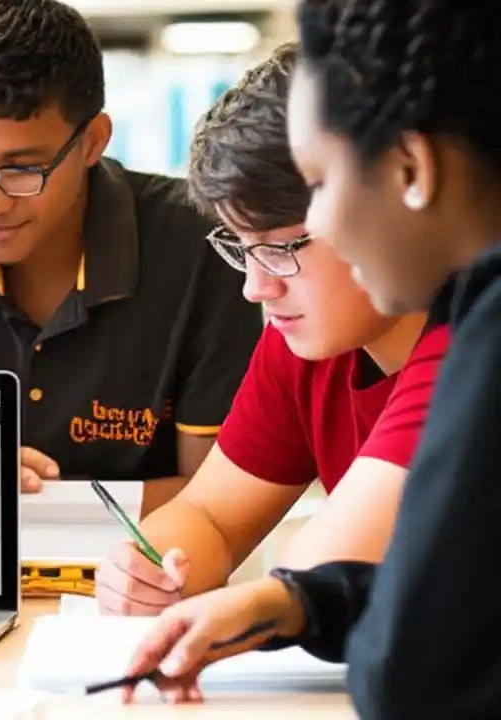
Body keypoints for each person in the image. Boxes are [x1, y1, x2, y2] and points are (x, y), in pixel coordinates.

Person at [120, 2, 501, 716]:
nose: (254, 284)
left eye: (321, 188)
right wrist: (282, 603)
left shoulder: (474, 333)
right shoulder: (324, 332)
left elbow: (402, 643)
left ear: (411, 167)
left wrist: (286, 595)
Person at [0, 0, 262, 513]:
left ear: (93, 141)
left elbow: (220, 495)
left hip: (142, 580)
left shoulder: (200, 250)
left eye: (23, 169)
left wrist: (28, 504)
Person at [94, 43, 447, 616]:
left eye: (281, 249)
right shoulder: (303, 343)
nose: (256, 288)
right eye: (242, 249)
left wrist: (259, 597)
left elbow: (319, 572)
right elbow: (211, 514)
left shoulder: (470, 335)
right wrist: (152, 571)